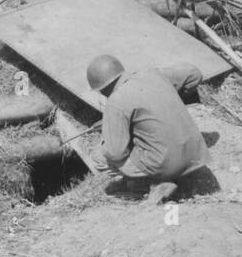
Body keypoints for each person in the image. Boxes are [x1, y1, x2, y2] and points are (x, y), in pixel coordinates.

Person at [84, 54, 207, 201]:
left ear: (102, 88)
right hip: (196, 154)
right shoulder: (153, 73)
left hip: (166, 164)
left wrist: (111, 133)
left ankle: (151, 183)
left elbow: (115, 154)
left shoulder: (115, 101)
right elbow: (194, 73)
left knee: (98, 156)